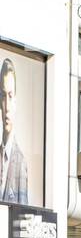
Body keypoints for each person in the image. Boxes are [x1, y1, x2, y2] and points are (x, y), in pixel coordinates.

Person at [0, 58, 28, 203]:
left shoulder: (20, 162)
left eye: (10, 96)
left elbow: (22, 214)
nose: (7, 106)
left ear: (15, 101)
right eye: (3, 96)